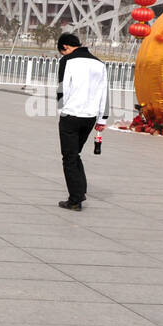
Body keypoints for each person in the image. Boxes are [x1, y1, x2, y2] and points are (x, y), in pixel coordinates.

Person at [55, 32, 108, 211]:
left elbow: (62, 88)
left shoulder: (67, 61)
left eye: (62, 52)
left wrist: (61, 110)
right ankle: (81, 189)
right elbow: (104, 92)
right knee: (75, 153)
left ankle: (75, 200)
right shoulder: (99, 64)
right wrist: (102, 118)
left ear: (66, 48)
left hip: (71, 115)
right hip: (90, 117)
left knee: (69, 157)